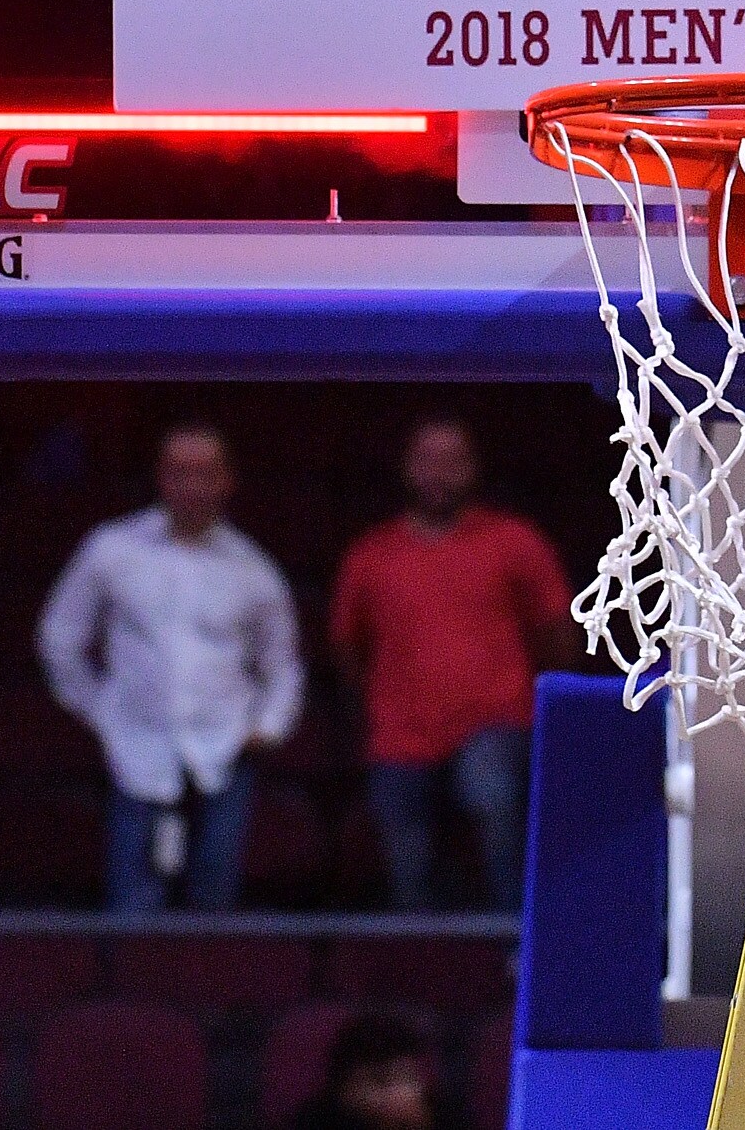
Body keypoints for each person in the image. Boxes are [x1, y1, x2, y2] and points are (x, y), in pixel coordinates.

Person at [40, 422, 302, 912]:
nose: (192, 486)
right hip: (136, 745)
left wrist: (266, 727)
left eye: (206, 473)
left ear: (227, 480)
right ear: (161, 479)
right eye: (179, 472)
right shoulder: (111, 549)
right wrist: (97, 707)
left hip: (224, 750)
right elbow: (61, 636)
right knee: (133, 900)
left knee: (214, 898)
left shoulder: (254, 570)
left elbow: (282, 665)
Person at [332, 417, 575, 910]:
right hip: (402, 734)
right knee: (406, 855)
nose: (438, 474)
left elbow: (557, 635)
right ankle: (421, 962)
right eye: (427, 461)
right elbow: (347, 649)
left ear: (473, 469)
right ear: (407, 468)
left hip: (496, 725)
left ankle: (512, 939)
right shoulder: (372, 555)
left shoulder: (514, 542)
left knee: (491, 798)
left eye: (452, 462)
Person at [286, 1010, 462, 1130]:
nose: (397, 1093)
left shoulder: (441, 1114)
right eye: (380, 1081)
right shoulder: (316, 1119)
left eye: (407, 1078)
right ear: (345, 1087)